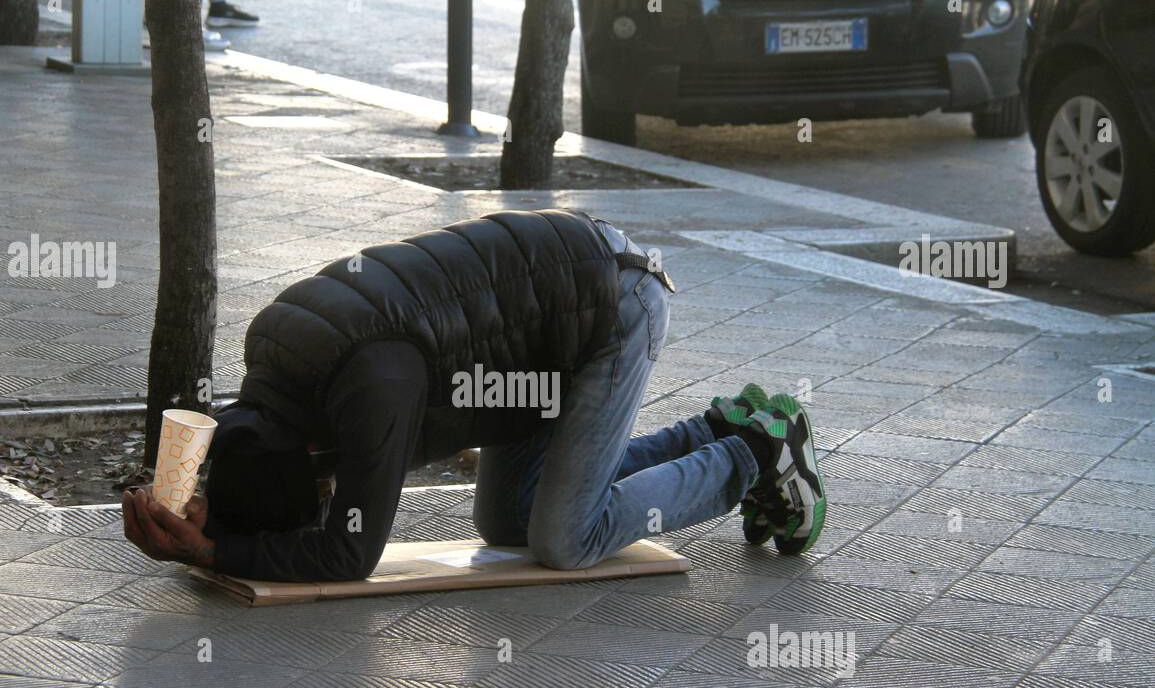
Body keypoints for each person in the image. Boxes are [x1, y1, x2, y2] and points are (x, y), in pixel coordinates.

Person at [122, 209, 827, 582]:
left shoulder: (371, 384)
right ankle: (714, 430)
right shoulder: (274, 363)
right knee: (509, 522)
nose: (332, 495)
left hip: (609, 307)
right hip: (526, 350)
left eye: (319, 494)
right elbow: (253, 452)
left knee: (565, 538)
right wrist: (205, 504)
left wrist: (216, 554)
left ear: (308, 459)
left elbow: (350, 556)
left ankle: (759, 452)